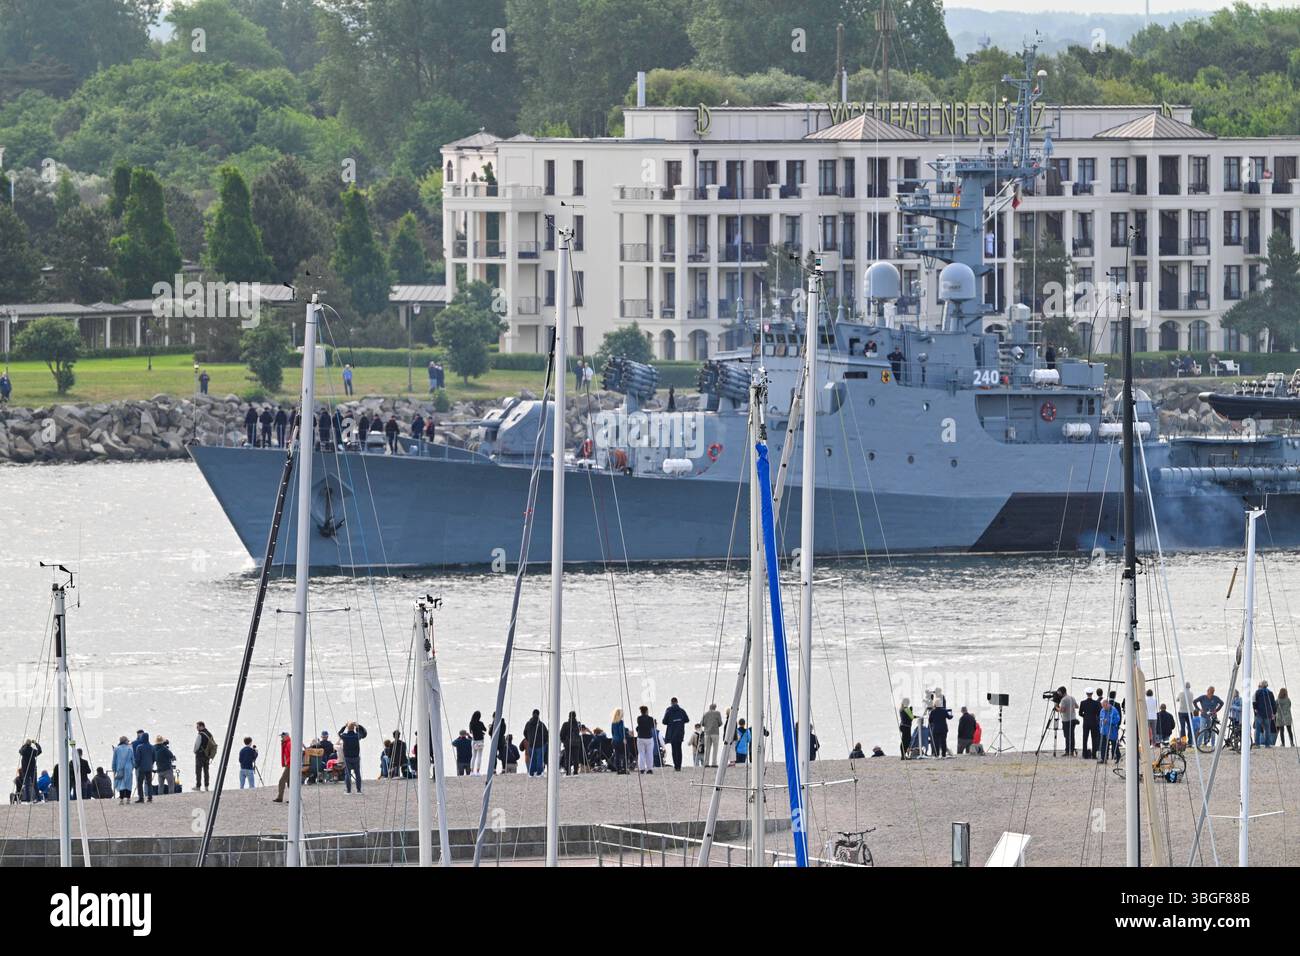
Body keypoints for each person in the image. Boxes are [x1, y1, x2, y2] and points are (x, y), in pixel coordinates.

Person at [337, 721, 368, 793]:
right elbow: (363, 734)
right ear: (353, 728)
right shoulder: (357, 736)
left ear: (348, 729)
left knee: (348, 774)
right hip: (356, 757)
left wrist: (344, 726)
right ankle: (359, 790)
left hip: (347, 757)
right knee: (357, 774)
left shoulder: (344, 736)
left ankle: (348, 790)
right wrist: (357, 726)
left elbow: (339, 733)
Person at [662, 697, 689, 771]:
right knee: (679, 749)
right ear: (677, 702)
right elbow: (687, 719)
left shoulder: (669, 710)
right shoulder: (681, 710)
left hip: (672, 732)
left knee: (674, 749)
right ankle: (679, 766)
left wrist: (671, 721)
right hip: (680, 732)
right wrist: (680, 721)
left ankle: (676, 766)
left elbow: (664, 721)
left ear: (671, 703)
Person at [522, 709, 548, 776]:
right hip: (540, 745)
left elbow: (524, 733)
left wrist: (529, 739)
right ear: (538, 714)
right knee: (539, 759)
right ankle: (539, 773)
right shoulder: (541, 724)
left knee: (532, 759)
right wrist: (544, 742)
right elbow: (546, 734)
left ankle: (531, 773)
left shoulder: (528, 724)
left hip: (531, 744)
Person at [559, 710, 584, 775]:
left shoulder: (565, 724)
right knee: (576, 758)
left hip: (567, 743)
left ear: (569, 716)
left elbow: (561, 734)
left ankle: (568, 772)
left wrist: (564, 741)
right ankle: (575, 771)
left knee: (567, 758)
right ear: (575, 716)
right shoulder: (578, 724)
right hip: (576, 743)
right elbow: (580, 732)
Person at [1254, 680, 1277, 747]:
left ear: (1261, 685)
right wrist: (1274, 713)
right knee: (1267, 730)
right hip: (1268, 713)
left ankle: (1257, 744)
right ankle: (1267, 744)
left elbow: (1255, 702)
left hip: (1259, 713)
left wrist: (1255, 709)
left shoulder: (1257, 692)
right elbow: (1273, 704)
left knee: (1258, 729)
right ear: (1267, 685)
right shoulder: (1270, 693)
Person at [194, 721, 216, 791]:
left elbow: (197, 745)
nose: (197, 728)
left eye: (197, 727)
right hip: (207, 755)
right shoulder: (210, 734)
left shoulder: (201, 734)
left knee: (198, 771)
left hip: (200, 755)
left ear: (202, 726)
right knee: (206, 771)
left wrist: (195, 751)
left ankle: (198, 786)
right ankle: (206, 786)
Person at [111, 736, 134, 803]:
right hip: (128, 768)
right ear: (125, 741)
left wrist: (114, 768)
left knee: (121, 784)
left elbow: (114, 760)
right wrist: (133, 766)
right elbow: (133, 760)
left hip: (120, 768)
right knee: (128, 784)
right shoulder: (130, 749)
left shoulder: (116, 749)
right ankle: (128, 799)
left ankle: (121, 799)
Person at [133, 733, 155, 803]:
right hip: (149, 767)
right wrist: (151, 763)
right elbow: (154, 757)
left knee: (140, 783)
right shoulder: (152, 747)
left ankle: (141, 798)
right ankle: (150, 797)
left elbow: (138, 759)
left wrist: (136, 766)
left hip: (142, 768)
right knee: (149, 783)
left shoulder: (139, 747)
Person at [1098, 699, 1122, 763]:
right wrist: (1100, 728)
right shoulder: (1102, 710)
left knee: (1114, 745)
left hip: (1112, 730)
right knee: (1103, 745)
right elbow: (1100, 719)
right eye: (1102, 706)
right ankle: (1103, 759)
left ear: (1107, 704)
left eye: (1104, 706)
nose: (1104, 708)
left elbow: (1117, 720)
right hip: (1104, 730)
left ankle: (1118, 756)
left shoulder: (1114, 710)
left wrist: (1108, 721)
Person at [1079, 689, 1101, 759]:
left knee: (1085, 738)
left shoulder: (1082, 702)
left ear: (1086, 694)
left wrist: (1085, 716)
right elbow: (1099, 713)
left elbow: (1080, 713)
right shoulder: (1096, 703)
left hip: (1086, 722)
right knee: (1094, 739)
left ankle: (1085, 754)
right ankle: (1094, 754)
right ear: (1092, 694)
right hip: (1094, 722)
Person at [1057, 687, 1079, 756]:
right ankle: (1072, 751)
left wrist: (1056, 708)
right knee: (1072, 735)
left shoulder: (1063, 700)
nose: (1058, 694)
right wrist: (1071, 707)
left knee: (1067, 736)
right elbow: (1077, 706)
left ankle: (1067, 751)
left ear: (1062, 692)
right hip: (1073, 719)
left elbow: (1062, 710)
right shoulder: (1072, 697)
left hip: (1066, 720)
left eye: (1059, 692)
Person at [635, 706, 656, 774]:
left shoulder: (639, 718)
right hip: (649, 737)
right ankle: (649, 769)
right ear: (647, 711)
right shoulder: (650, 719)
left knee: (641, 753)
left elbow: (639, 726)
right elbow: (652, 726)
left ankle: (642, 768)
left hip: (640, 737)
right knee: (649, 753)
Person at [701, 703, 723, 768]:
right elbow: (720, 723)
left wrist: (707, 725)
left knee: (707, 748)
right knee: (715, 748)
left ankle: (706, 763)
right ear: (715, 707)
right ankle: (714, 763)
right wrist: (716, 725)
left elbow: (702, 723)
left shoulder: (705, 713)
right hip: (715, 733)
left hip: (707, 733)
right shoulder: (717, 713)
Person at [272, 732, 292, 802]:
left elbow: (292, 754)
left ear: (286, 736)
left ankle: (280, 797)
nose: (281, 738)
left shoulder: (289, 743)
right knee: (290, 782)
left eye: (282, 737)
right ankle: (293, 798)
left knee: (282, 781)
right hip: (289, 764)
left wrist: (288, 762)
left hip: (290, 765)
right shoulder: (286, 743)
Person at [610, 708, 627, 774]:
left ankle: (618, 769)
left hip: (614, 740)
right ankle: (624, 768)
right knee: (625, 754)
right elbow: (621, 732)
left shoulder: (613, 722)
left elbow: (612, 732)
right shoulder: (621, 722)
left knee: (617, 755)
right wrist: (624, 738)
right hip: (620, 740)